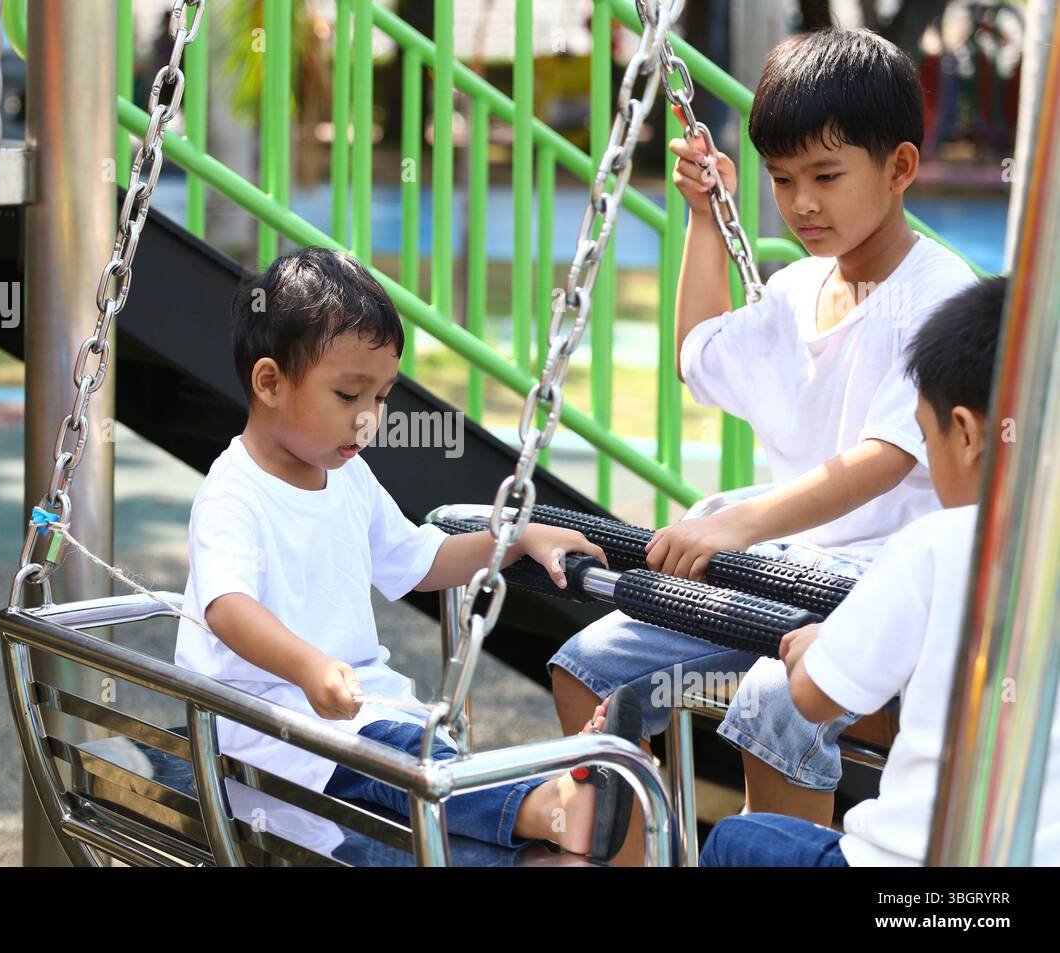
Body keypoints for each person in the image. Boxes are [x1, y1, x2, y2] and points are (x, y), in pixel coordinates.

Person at [548, 28, 979, 858]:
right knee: (585, 664)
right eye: (783, 181)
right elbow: (699, 353)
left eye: (825, 176)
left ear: (898, 169)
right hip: (783, 564)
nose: (802, 203)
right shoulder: (796, 287)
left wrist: (734, 526)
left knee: (770, 701)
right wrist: (707, 220)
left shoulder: (939, 295)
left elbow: (885, 458)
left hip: (878, 571)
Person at [175, 246, 619, 853]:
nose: (369, 421)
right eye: (349, 396)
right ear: (271, 382)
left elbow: (419, 561)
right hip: (277, 734)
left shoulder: (348, 475)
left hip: (363, 713)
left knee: (428, 774)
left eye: (381, 398)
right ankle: (548, 801)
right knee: (411, 769)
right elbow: (227, 607)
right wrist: (308, 667)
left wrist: (509, 540)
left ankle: (552, 800)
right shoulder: (234, 494)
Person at [700, 276, 1060, 866]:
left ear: (967, 433)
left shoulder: (937, 545)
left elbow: (814, 697)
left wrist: (816, 645)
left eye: (925, 434)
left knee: (737, 841)